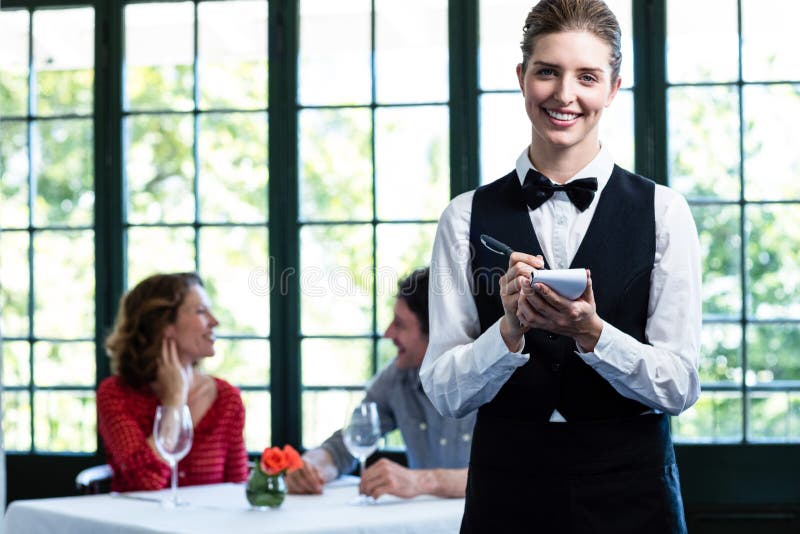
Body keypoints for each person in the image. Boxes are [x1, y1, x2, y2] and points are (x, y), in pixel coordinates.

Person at [420, 1, 701, 532]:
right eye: (547, 71)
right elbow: (442, 391)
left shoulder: (665, 212)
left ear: (613, 89)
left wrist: (596, 337)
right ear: (521, 77)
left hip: (631, 489)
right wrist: (507, 332)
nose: (564, 94)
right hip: (506, 489)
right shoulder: (463, 217)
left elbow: (679, 386)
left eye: (587, 77)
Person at [287, 268, 475, 499]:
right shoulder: (397, 378)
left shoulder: (493, 376)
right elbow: (347, 444)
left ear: (437, 332)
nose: (388, 333)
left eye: (400, 324)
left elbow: (511, 474)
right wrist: (311, 467)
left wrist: (422, 481)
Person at [98, 272, 248, 492]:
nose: (215, 321)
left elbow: (237, 490)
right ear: (164, 325)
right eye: (200, 311)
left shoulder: (226, 398)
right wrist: (174, 400)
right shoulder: (116, 394)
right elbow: (145, 483)